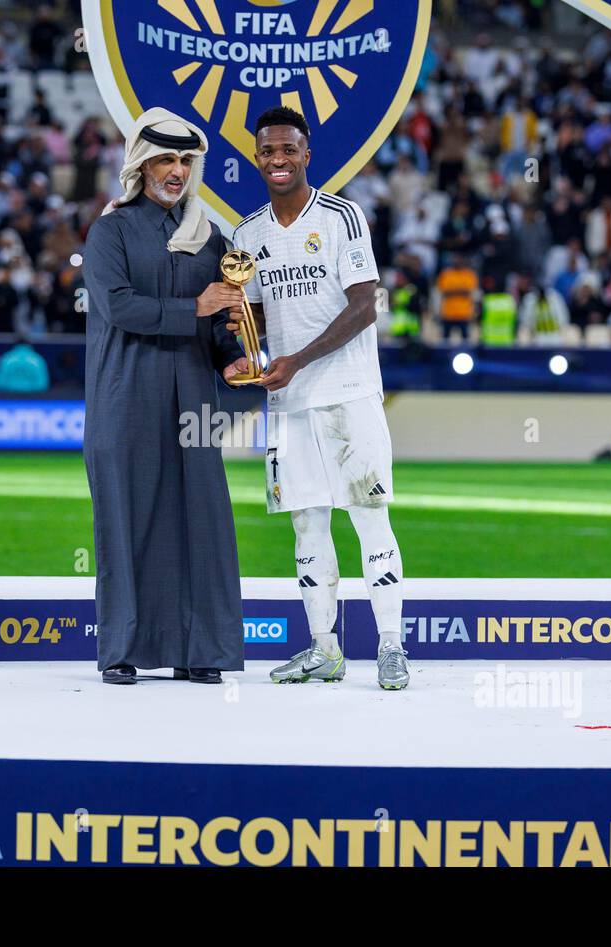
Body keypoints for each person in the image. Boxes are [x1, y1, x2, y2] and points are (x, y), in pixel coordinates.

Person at [228, 106, 410, 690]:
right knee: (307, 524)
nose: (277, 160)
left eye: (288, 150)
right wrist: (246, 349)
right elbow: (253, 313)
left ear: (306, 154)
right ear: (256, 158)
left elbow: (364, 305)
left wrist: (297, 361)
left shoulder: (341, 216)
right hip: (286, 403)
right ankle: (323, 649)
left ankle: (390, 646)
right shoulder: (248, 233)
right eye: (267, 152)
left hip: (348, 393)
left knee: (368, 515)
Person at [81, 107, 247, 686]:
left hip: (195, 395)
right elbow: (118, 306)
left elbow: (222, 321)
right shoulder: (110, 230)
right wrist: (194, 308)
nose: (176, 171)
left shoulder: (212, 237)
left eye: (185, 160)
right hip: (125, 394)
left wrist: (236, 356)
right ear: (141, 162)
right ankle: (121, 649)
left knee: (201, 518)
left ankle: (202, 650)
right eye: (165, 159)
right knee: (129, 515)